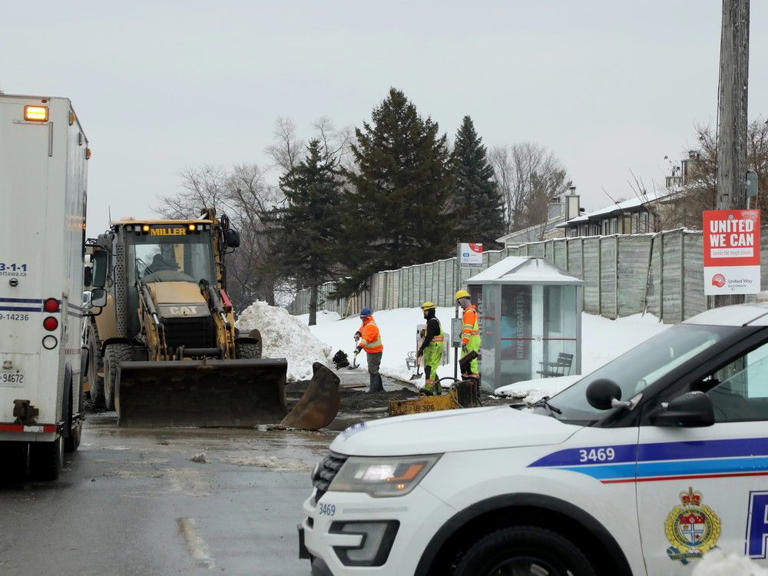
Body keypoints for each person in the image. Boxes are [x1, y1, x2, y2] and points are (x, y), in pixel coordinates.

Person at [354, 307, 384, 393]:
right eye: (361, 317)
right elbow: (362, 329)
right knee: (374, 370)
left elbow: (366, 339)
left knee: (373, 371)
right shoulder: (366, 323)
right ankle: (379, 389)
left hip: (375, 352)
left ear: (368, 317)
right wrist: (358, 333)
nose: (362, 319)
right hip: (371, 351)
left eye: (363, 317)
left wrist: (359, 348)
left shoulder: (371, 326)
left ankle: (373, 390)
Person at [416, 302, 444, 395]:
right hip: (431, 349)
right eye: (424, 311)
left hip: (434, 349)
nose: (424, 313)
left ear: (431, 311)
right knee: (430, 369)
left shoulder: (432, 322)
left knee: (430, 369)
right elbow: (429, 334)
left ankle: (428, 389)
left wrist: (421, 349)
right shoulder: (431, 321)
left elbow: (429, 338)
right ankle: (438, 389)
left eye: (426, 311)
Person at [456, 289, 481, 380]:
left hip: (470, 341)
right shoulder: (470, 311)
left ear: (462, 299)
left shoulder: (469, 312)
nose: (460, 305)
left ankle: (470, 385)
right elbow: (468, 328)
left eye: (459, 302)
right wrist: (462, 334)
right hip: (471, 340)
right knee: (468, 363)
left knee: (469, 364)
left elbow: (468, 328)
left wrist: (464, 341)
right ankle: (469, 384)